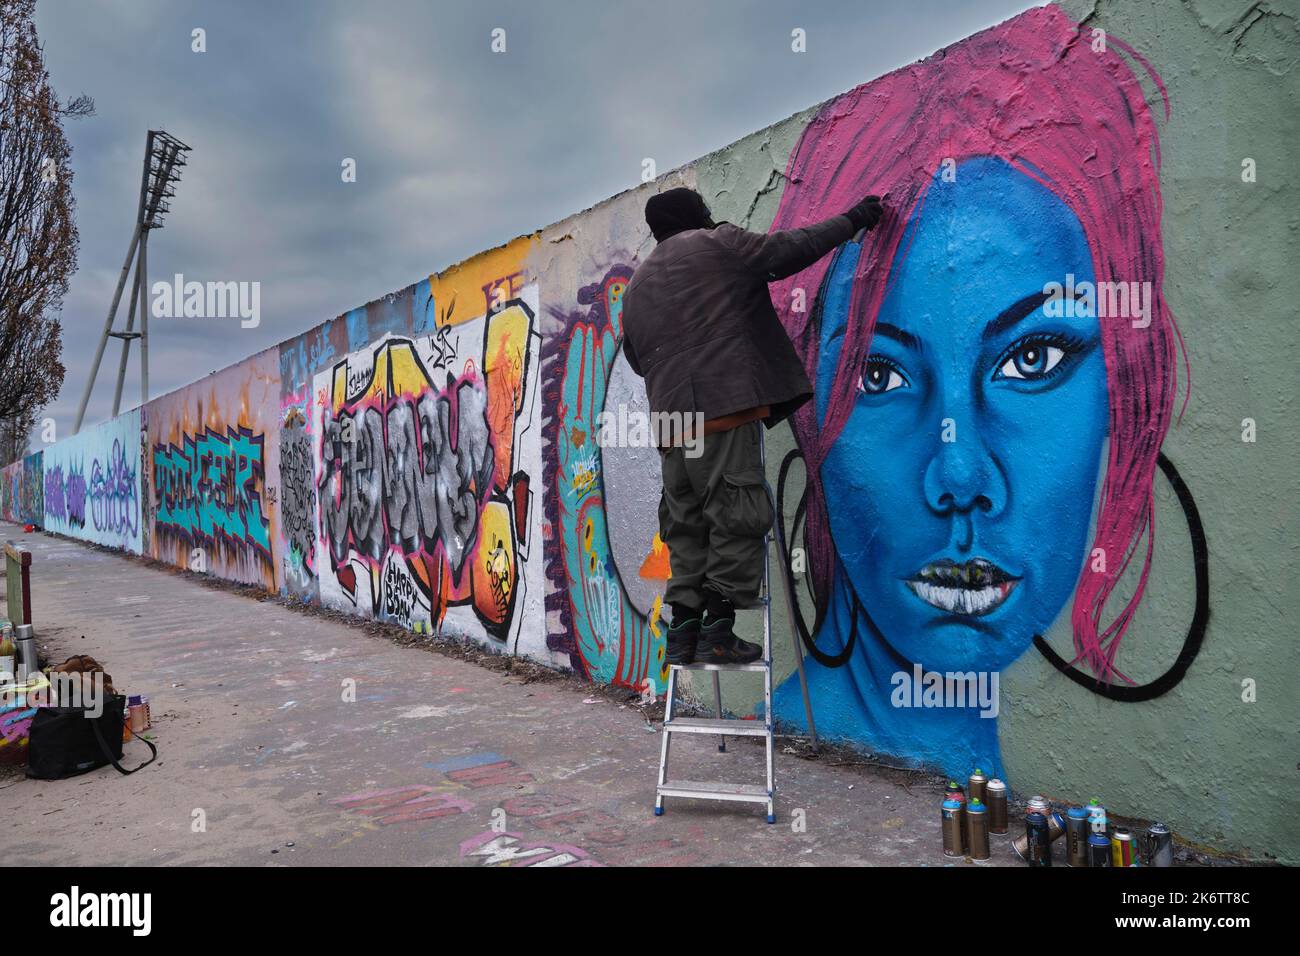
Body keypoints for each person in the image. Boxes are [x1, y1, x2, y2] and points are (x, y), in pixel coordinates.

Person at [620, 186, 883, 665]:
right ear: (694, 215)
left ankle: (683, 633)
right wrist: (852, 220)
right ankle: (719, 632)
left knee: (687, 528)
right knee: (736, 516)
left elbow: (637, 360)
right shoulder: (719, 242)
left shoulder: (636, 285)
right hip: (724, 411)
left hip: (673, 430)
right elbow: (787, 251)